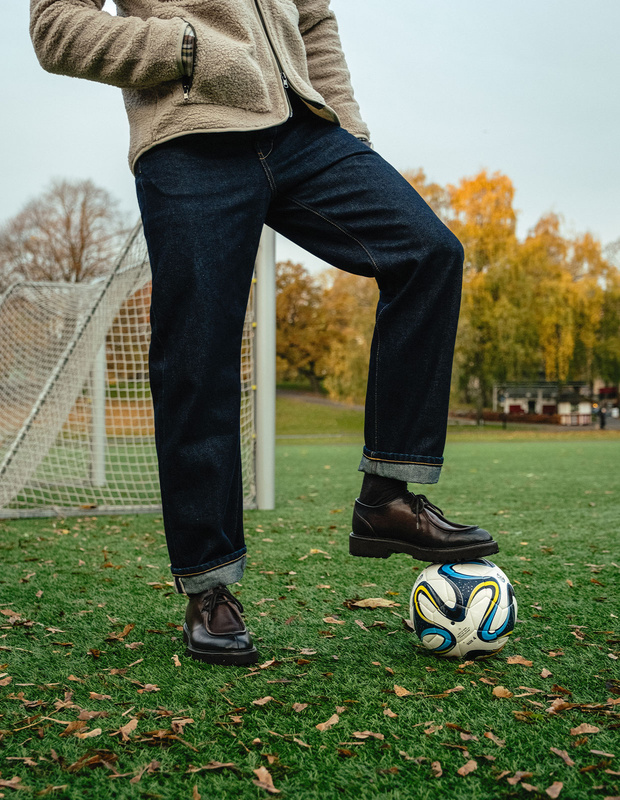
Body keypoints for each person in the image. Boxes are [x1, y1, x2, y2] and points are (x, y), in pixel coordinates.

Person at [30, 0, 499, 666]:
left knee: (428, 253)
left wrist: (349, 133)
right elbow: (55, 28)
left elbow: (313, 21)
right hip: (188, 132)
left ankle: (386, 496)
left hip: (303, 131)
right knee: (198, 354)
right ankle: (210, 587)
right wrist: (188, 51)